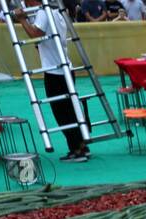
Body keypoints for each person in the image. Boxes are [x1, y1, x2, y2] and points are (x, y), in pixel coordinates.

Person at [12, 0, 90, 162]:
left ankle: (77, 149)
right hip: (64, 67)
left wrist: (22, 20)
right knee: (70, 110)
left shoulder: (43, 12)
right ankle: (81, 145)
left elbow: (35, 35)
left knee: (62, 113)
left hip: (55, 71)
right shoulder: (57, 11)